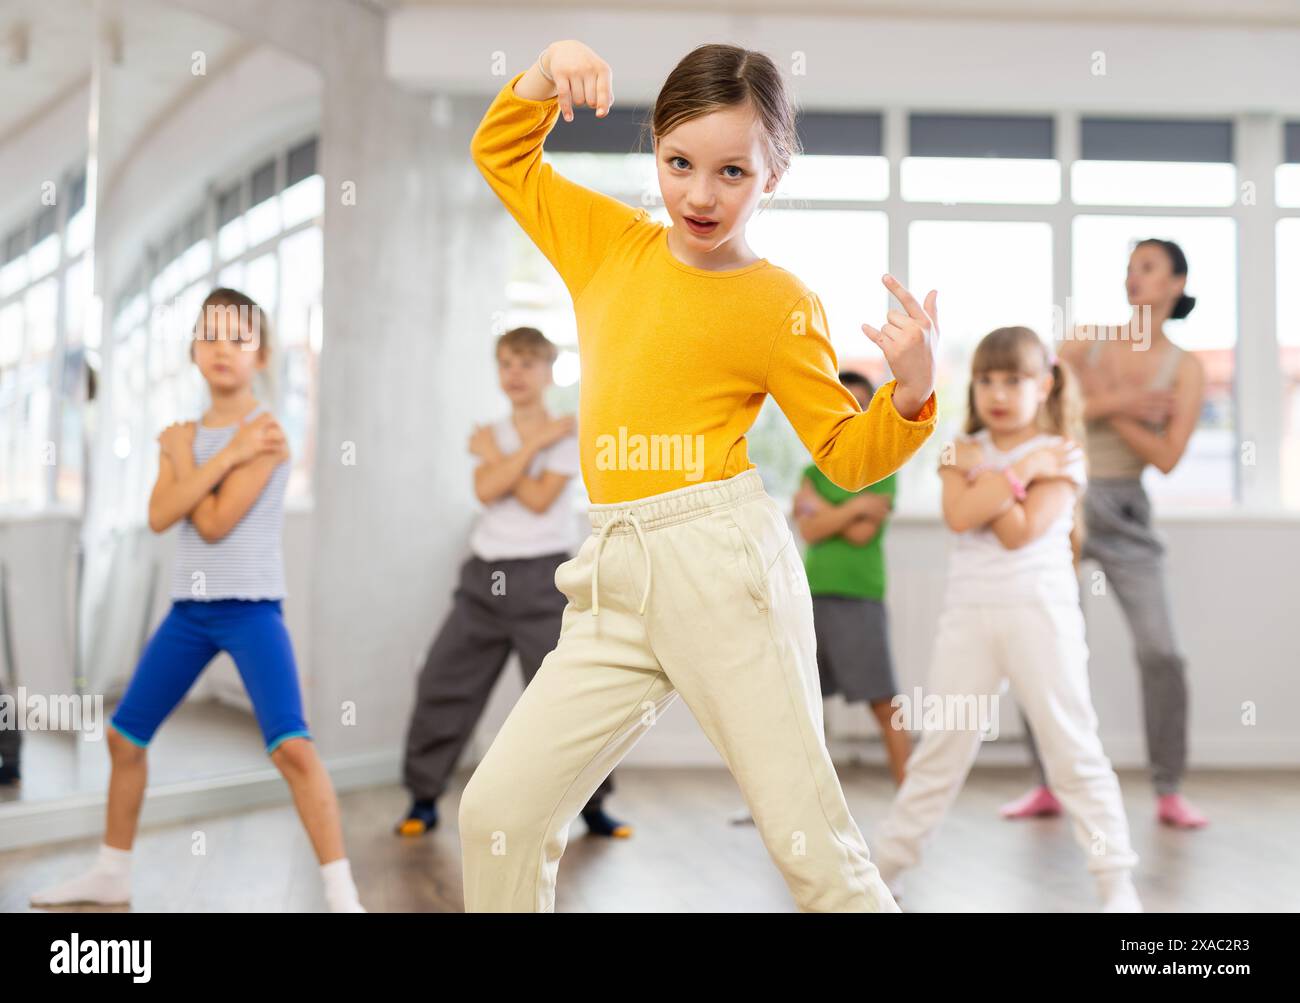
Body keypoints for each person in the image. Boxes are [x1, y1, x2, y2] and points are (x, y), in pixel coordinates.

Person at [457, 39, 939, 912]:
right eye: (679, 163)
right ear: (656, 150)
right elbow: (501, 153)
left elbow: (843, 452)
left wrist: (912, 392)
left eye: (731, 172)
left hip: (724, 571)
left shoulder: (779, 303)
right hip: (610, 570)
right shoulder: (605, 243)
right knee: (498, 812)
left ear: (774, 172)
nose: (700, 194)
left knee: (811, 849)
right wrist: (543, 69)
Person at [31, 289, 365, 913]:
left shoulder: (264, 432)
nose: (222, 349)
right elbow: (161, 515)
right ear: (192, 351)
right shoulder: (182, 436)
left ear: (260, 354)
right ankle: (112, 873)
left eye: (238, 337)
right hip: (189, 611)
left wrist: (211, 455)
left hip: (252, 609)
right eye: (209, 336)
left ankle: (340, 891)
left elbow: (213, 523)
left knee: (292, 746)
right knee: (125, 738)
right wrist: (196, 458)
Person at [872, 326, 1141, 912]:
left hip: (1039, 615)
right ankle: (883, 871)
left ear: (1042, 385)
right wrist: (1017, 476)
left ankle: (1115, 883)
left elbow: (1020, 534)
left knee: (1072, 749)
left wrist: (992, 480)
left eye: (1013, 380)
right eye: (986, 380)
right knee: (940, 751)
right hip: (968, 618)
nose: (997, 393)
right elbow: (960, 515)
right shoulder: (958, 448)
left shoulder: (1064, 453)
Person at [1002, 238, 1208, 830]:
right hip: (1061, 497)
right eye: (1128, 268)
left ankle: (1168, 789)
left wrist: (1097, 402)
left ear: (1176, 283)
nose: (1132, 278)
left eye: (1146, 268)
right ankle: (1048, 783)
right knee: (1047, 645)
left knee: (1163, 651)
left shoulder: (1185, 368)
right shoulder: (1084, 340)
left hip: (1125, 509)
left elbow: (1166, 457)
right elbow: (1039, 415)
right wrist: (1126, 402)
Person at [397, 325, 629, 839]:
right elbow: (486, 490)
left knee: (571, 696)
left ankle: (592, 808)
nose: (515, 373)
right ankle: (422, 798)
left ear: (548, 372)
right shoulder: (497, 432)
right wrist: (531, 447)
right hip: (484, 578)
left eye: (527, 363)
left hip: (543, 577)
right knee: (442, 681)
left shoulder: (566, 435)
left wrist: (509, 455)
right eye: (505, 363)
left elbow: (537, 500)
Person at [793, 371, 911, 785]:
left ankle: (909, 796)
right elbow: (809, 530)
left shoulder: (884, 468)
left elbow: (861, 535)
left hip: (860, 597)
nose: (854, 414)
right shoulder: (811, 473)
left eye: (862, 406)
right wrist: (855, 507)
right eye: (845, 406)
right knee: (804, 705)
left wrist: (825, 513)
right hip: (812, 597)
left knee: (883, 703)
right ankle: (804, 800)